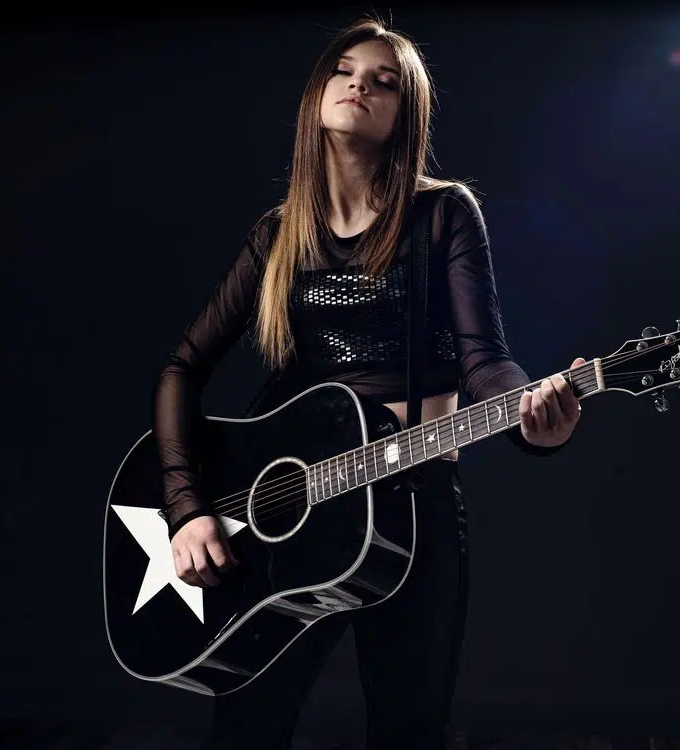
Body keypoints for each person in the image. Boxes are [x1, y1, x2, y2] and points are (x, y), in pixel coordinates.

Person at [151, 16, 584, 750]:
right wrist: (187, 508)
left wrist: (532, 415)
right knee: (246, 730)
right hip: (287, 509)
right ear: (318, 91)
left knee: (409, 731)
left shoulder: (443, 212)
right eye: (345, 70)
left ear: (404, 115)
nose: (360, 85)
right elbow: (181, 368)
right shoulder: (276, 234)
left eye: (385, 81)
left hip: (410, 503)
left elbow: (484, 358)